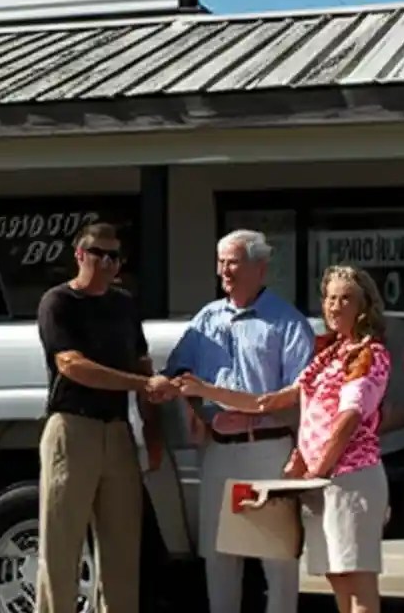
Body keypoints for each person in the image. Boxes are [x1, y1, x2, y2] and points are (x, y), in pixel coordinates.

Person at [165, 229, 315, 613]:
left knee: (277, 557)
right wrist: (194, 414)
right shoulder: (207, 318)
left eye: (232, 261)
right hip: (219, 452)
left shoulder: (287, 322)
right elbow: (177, 373)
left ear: (259, 268)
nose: (224, 270)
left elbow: (301, 394)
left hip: (268, 450)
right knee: (219, 555)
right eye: (220, 261)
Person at [34, 222, 175, 613]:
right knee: (61, 549)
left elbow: (142, 364)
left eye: (115, 256)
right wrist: (140, 385)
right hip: (71, 429)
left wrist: (153, 428)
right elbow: (72, 365)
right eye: (98, 253)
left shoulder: (124, 304)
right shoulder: (58, 302)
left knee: (122, 553)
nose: (108, 263)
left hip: (118, 433)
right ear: (79, 255)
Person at [256, 265, 391, 613]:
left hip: (351, 479)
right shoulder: (330, 354)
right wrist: (202, 389)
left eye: (345, 298)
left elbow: (350, 416)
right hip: (322, 479)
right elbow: (280, 400)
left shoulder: (369, 353)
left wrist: (318, 468)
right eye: (330, 297)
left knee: (358, 585)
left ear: (364, 307)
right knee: (338, 579)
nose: (334, 306)